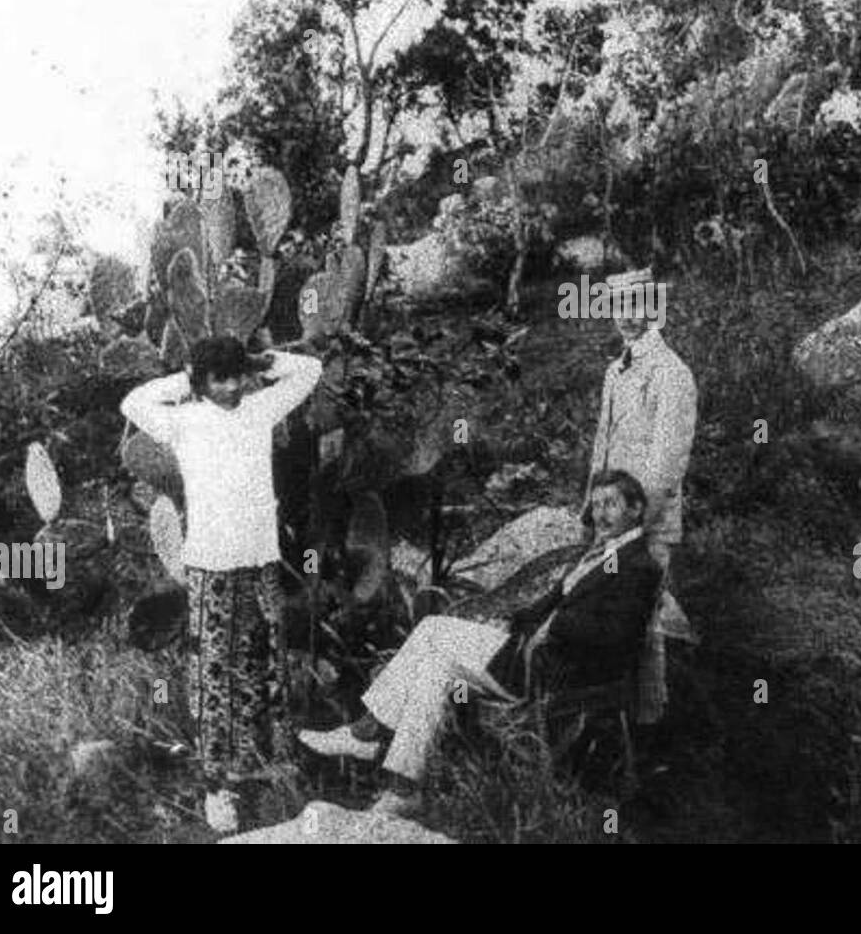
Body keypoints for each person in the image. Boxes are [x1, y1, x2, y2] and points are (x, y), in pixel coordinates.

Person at [298, 469, 661, 817]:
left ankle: (367, 735)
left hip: (557, 669)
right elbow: (552, 603)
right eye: (596, 504)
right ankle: (402, 789)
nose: (600, 514)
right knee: (434, 658)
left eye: (611, 504)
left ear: (636, 509)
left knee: (434, 635)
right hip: (530, 651)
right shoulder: (600, 553)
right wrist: (517, 616)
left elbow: (618, 635)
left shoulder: (638, 565)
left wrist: (557, 624)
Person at [120, 337, 322, 834]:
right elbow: (133, 402)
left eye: (236, 376)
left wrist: (262, 363)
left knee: (265, 661)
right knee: (216, 674)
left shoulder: (260, 409)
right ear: (202, 381)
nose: (231, 387)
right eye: (219, 378)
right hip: (212, 564)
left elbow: (310, 371)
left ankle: (269, 765)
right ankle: (217, 785)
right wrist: (185, 377)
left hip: (261, 560)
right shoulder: (183, 421)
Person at [584, 267, 697, 723]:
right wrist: (593, 514)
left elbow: (667, 462)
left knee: (644, 623)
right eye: (618, 308)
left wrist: (632, 524)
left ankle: (650, 721)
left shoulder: (671, 373)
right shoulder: (615, 371)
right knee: (605, 619)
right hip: (609, 523)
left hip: (647, 526)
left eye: (636, 307)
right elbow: (602, 448)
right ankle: (609, 719)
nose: (627, 317)